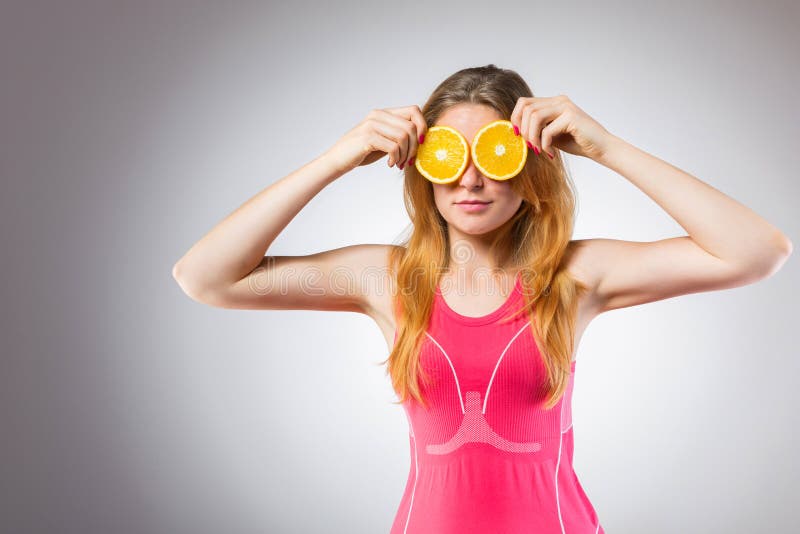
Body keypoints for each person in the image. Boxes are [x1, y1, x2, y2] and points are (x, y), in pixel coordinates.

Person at [171, 64, 792, 533]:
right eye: (449, 156)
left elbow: (757, 251)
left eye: (495, 154)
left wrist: (605, 147)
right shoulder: (386, 281)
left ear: (530, 162)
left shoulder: (575, 276)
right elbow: (206, 276)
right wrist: (335, 160)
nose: (471, 177)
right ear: (422, 166)